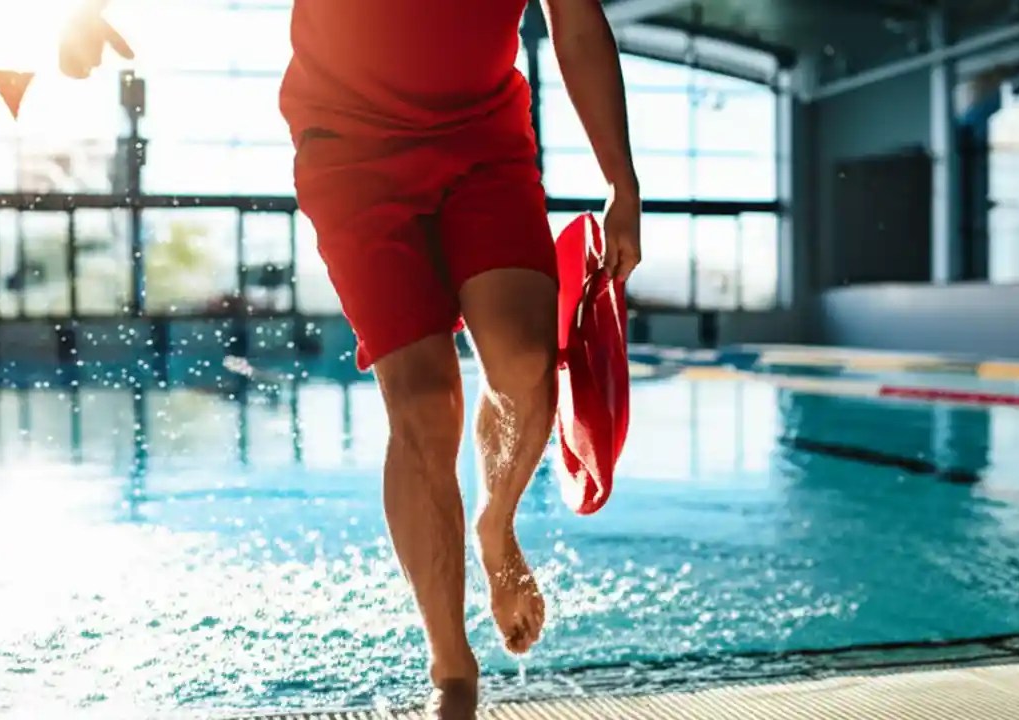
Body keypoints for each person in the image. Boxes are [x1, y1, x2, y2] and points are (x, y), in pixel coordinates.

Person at [60, 0, 641, 716]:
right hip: (349, 145)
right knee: (425, 401)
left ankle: (497, 525)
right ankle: (452, 668)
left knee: (525, 364)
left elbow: (576, 22)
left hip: (485, 138)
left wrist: (623, 181)